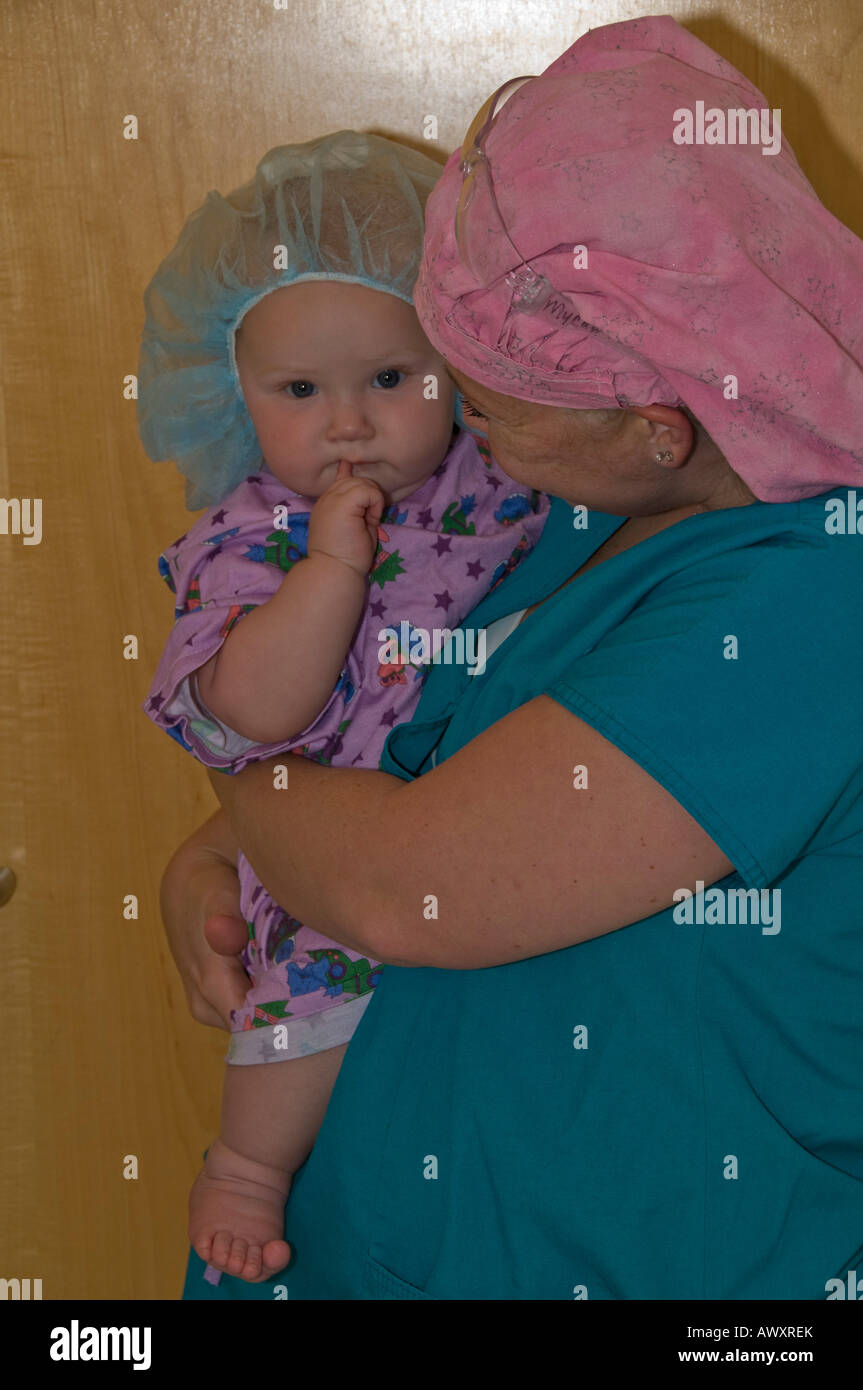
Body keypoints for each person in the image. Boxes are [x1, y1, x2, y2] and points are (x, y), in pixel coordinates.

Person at [160, 15, 863, 1299]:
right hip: (375, 1240)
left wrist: (235, 768)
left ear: (656, 424)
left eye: (485, 404)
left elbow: (403, 884)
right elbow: (407, 749)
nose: (460, 431)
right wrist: (216, 859)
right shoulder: (571, 518)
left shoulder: (820, 598)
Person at [136, 131, 549, 1284]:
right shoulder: (249, 535)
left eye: (388, 379)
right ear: (238, 396)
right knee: (312, 995)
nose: (348, 423)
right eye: (299, 392)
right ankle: (246, 1166)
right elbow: (247, 713)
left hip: (483, 825)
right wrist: (327, 574)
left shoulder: (501, 478)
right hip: (333, 846)